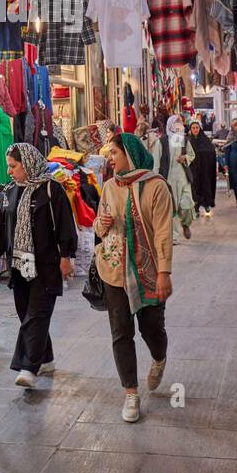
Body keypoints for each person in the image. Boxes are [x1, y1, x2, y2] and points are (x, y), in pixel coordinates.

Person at [94, 133, 172, 423]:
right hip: (114, 271)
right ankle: (131, 393)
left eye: (114, 152)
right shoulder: (109, 187)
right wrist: (100, 225)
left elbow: (164, 233)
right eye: (109, 153)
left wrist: (164, 272)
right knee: (120, 332)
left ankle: (159, 358)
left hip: (148, 271)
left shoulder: (156, 187)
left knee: (152, 329)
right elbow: (99, 229)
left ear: (129, 153)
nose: (110, 158)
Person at [0, 142, 77, 389]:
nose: (9, 171)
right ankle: (45, 358)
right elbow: (0, 229)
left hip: (46, 266)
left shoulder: (51, 190)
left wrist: (66, 257)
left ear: (27, 164)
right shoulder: (8, 192)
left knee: (36, 315)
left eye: (14, 166)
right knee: (26, 314)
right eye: (9, 167)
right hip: (18, 267)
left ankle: (28, 367)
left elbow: (65, 225)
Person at [151, 114, 195, 240]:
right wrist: (156, 179)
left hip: (183, 177)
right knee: (172, 207)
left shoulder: (183, 140)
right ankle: (174, 236)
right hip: (168, 179)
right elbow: (156, 163)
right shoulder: (162, 141)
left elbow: (191, 155)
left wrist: (185, 158)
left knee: (187, 204)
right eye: (177, 122)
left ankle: (186, 224)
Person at [186, 118, 217, 216]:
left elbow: (211, 151)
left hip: (204, 169)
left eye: (197, 128)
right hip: (193, 169)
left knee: (205, 186)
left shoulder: (205, 140)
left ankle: (206, 205)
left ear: (200, 128)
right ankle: (196, 208)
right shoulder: (187, 141)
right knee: (194, 187)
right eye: (193, 128)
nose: (195, 130)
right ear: (190, 129)